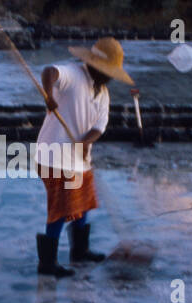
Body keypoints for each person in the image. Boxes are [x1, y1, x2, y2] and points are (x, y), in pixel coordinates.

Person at [33, 37, 138, 277]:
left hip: (78, 158)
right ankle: (47, 264)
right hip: (53, 156)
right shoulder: (73, 74)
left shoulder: (103, 94)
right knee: (62, 206)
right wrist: (49, 96)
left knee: (83, 202)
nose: (110, 77)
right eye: (107, 71)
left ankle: (80, 250)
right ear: (94, 66)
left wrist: (84, 142)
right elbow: (49, 72)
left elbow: (100, 126)